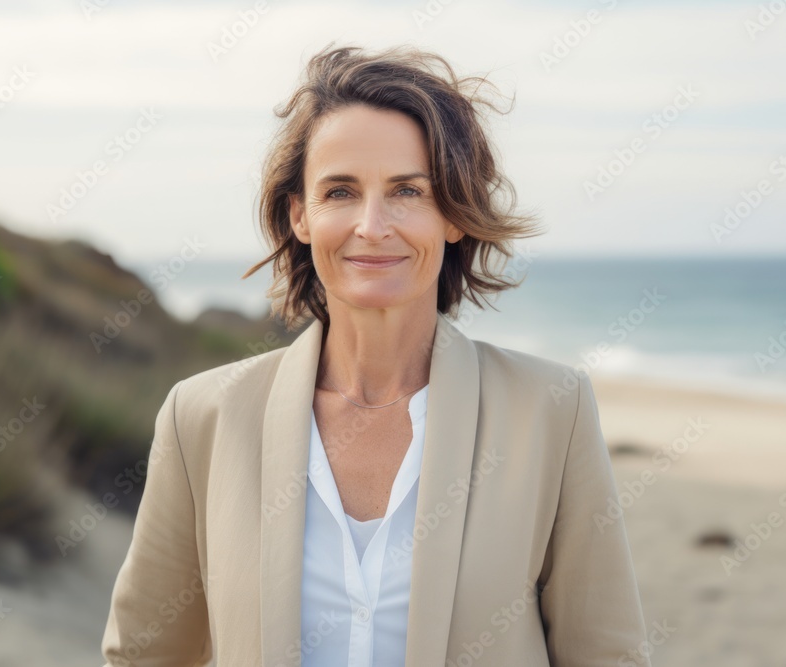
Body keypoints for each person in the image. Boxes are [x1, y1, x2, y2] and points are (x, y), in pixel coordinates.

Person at [101, 42, 651, 667]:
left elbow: (606, 654)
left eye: (408, 191)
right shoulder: (203, 417)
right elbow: (143, 655)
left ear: (454, 215)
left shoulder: (551, 410)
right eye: (340, 191)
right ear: (300, 216)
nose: (372, 224)